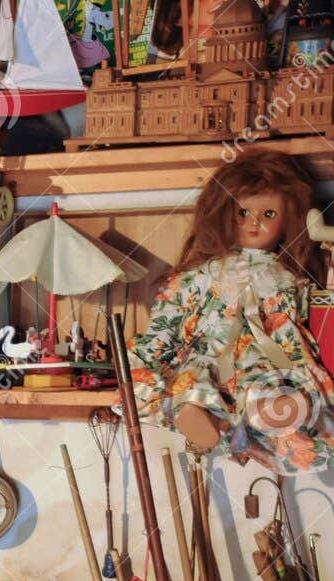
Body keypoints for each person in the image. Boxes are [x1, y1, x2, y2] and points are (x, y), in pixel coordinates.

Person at [129, 150, 334, 472]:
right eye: (243, 212)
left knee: (276, 381)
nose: (254, 223)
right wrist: (147, 359)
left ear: (288, 220)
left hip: (263, 358)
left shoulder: (290, 281)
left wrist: (304, 366)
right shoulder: (200, 276)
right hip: (210, 353)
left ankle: (269, 410)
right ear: (224, 214)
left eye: (268, 214)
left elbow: (298, 331)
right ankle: (196, 414)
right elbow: (168, 320)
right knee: (194, 379)